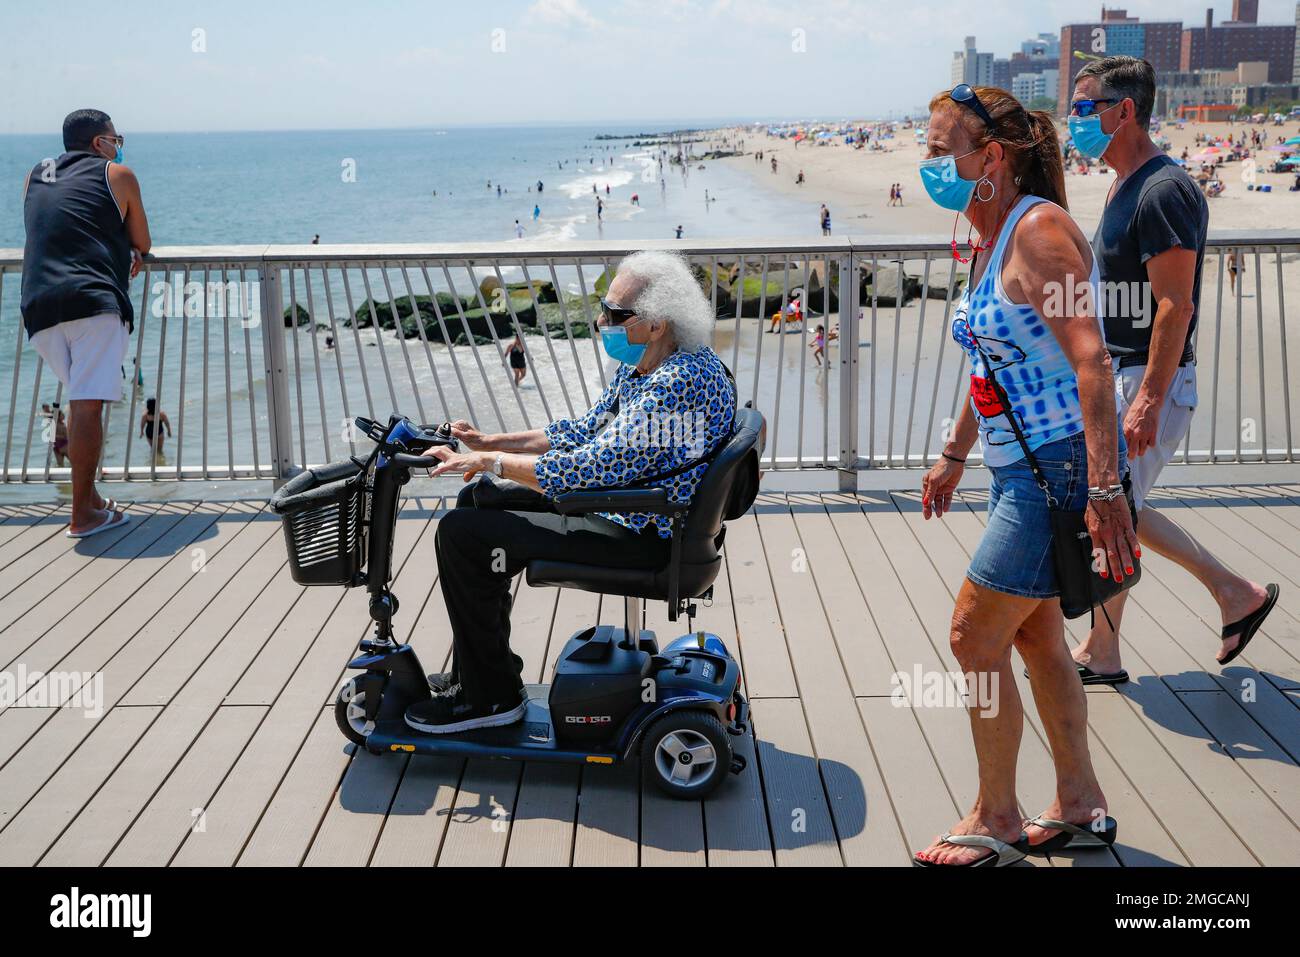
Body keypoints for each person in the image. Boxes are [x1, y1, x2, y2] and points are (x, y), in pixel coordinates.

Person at [913, 84, 1136, 866]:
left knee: (973, 635)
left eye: (942, 150)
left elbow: (1092, 360)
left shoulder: (1039, 232)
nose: (929, 162)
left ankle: (995, 814)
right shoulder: (986, 236)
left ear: (992, 158)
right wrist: (955, 452)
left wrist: (1105, 488)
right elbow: (991, 359)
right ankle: (1080, 802)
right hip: (1019, 470)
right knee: (1038, 634)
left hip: (1061, 469)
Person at [406, 251, 736, 733]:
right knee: (481, 500)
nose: (602, 320)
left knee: (462, 533)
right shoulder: (648, 365)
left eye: (616, 314)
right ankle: (483, 676)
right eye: (604, 308)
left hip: (647, 533)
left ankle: (489, 698)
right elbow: (582, 432)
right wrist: (489, 443)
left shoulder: (676, 385)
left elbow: (588, 469)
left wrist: (490, 463)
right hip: (636, 507)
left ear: (658, 323)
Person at [1066, 56, 1278, 682]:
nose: (1073, 121)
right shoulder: (1123, 184)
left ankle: (1232, 594)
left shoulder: (1163, 191)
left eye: (1084, 108)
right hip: (1122, 375)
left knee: (1110, 504)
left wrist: (1148, 399)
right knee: (1115, 506)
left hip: (1147, 381)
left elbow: (1173, 304)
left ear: (1123, 110)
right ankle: (1115, 644)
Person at [21, 109, 149, 538]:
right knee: (87, 406)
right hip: (93, 303)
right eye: (117, 138)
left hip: (38, 308)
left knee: (81, 402)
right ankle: (82, 516)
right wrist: (129, 251)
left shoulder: (36, 174)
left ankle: (91, 499)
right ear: (100, 143)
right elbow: (143, 241)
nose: (118, 146)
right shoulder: (118, 174)